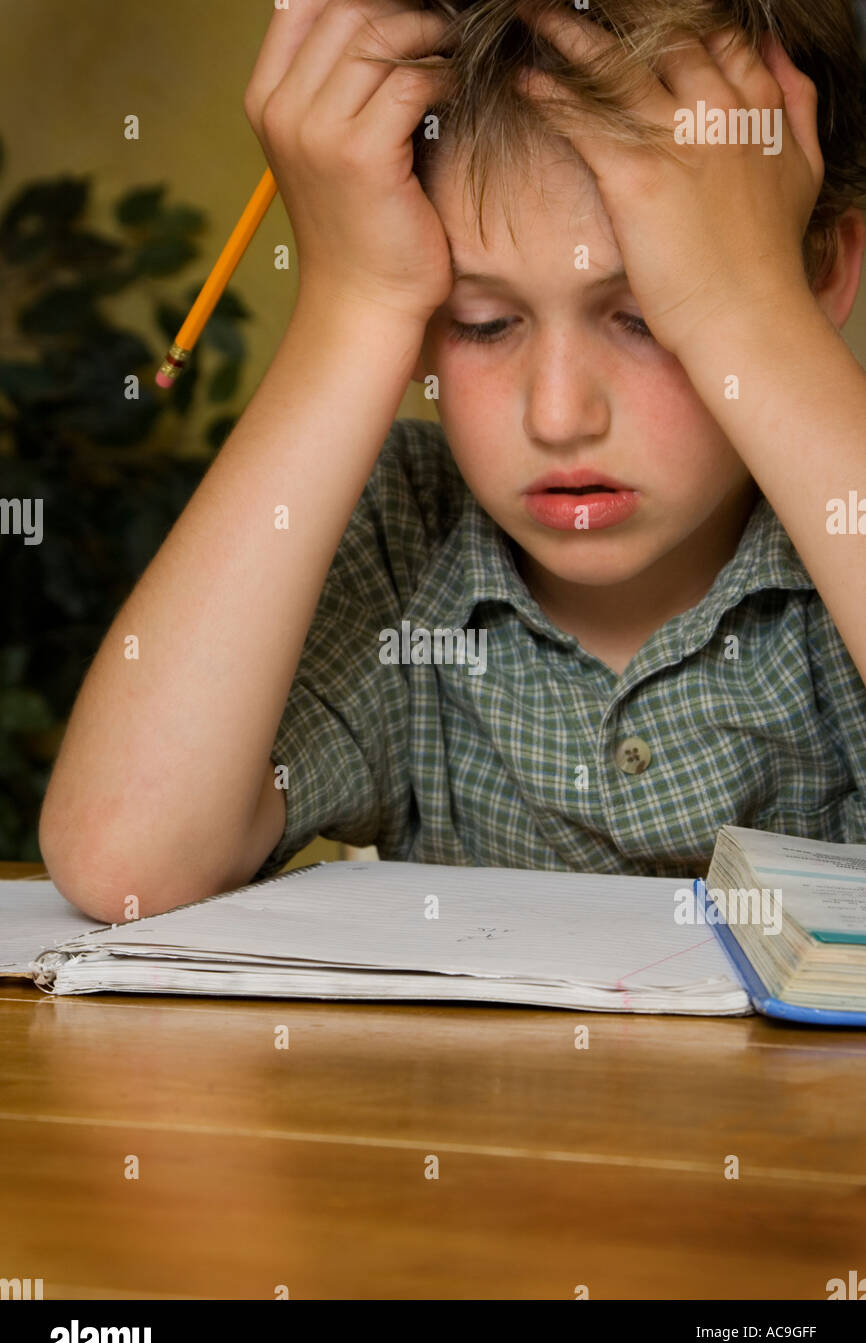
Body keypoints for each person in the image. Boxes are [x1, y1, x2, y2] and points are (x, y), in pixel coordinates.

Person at [39, 0, 866, 921]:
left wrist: (745, 306)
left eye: (647, 316)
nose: (558, 416)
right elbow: (125, 856)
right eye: (482, 323)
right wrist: (355, 301)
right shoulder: (407, 540)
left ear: (824, 269)